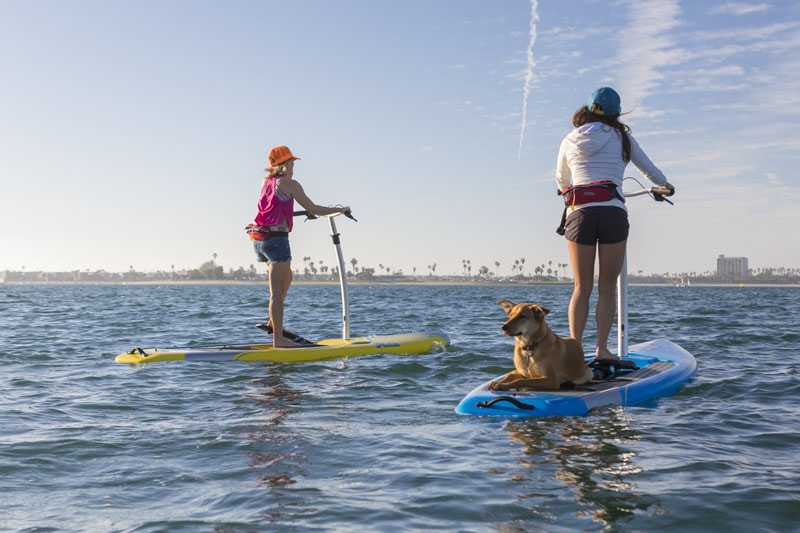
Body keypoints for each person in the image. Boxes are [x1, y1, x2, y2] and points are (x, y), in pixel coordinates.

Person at [556, 87, 674, 360]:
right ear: (615, 113)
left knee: (581, 287)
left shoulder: (569, 139)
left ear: (588, 108)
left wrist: (573, 191)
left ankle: (574, 352)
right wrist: (665, 185)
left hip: (579, 213)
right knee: (607, 286)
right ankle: (602, 350)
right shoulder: (622, 137)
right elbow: (650, 170)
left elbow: (562, 181)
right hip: (612, 212)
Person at [249, 145, 350, 347]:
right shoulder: (291, 184)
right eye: (291, 161)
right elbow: (313, 207)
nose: (294, 165)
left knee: (287, 277)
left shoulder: (266, 182)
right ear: (284, 164)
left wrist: (304, 213)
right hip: (276, 240)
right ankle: (279, 340)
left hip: (260, 239)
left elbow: (274, 209)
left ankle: (273, 323)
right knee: (276, 292)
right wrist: (340, 210)